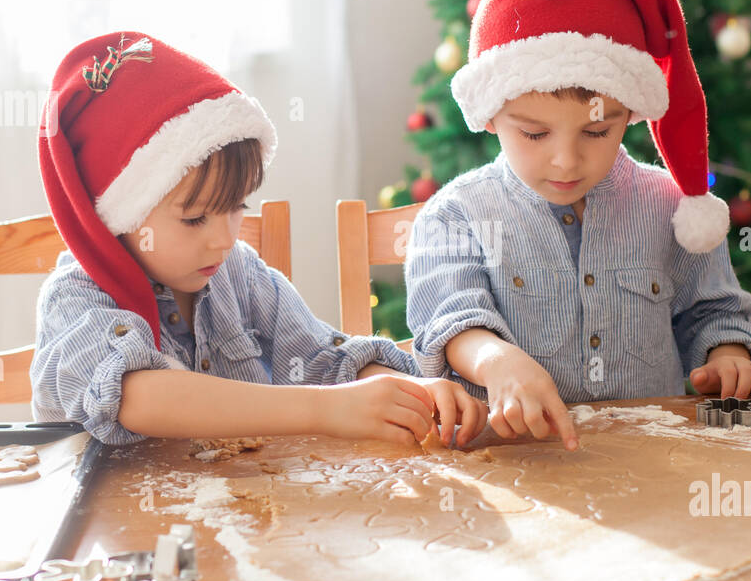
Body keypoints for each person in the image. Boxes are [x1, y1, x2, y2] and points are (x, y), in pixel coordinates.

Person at [405, 0, 751, 452]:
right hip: (514, 474)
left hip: (654, 468)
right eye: (535, 135)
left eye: (596, 133)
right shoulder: (455, 216)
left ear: (630, 113)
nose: (566, 161)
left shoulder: (671, 208)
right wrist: (496, 361)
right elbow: (447, 319)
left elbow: (715, 313)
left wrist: (728, 359)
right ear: (490, 115)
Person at [33, 32, 484, 447]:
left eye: (236, 208)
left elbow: (324, 360)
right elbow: (139, 397)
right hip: (118, 530)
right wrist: (324, 410)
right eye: (194, 219)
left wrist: (408, 392)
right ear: (117, 217)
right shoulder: (75, 298)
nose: (223, 241)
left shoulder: (239, 274)